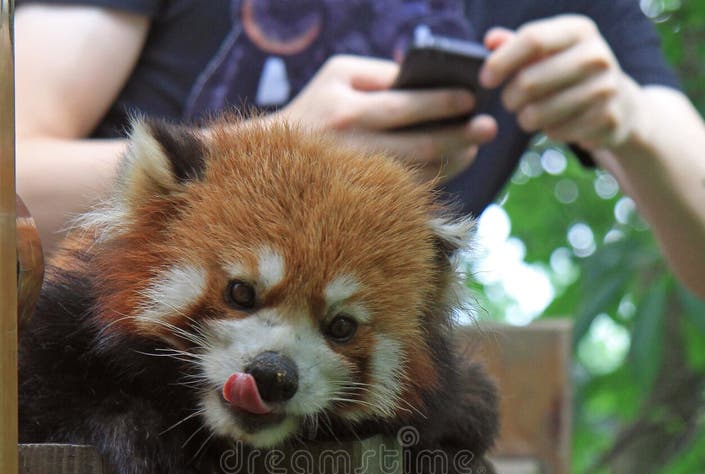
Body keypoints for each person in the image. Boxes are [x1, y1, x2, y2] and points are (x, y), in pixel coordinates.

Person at [13, 1, 705, 297]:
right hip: (98, 426)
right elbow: (16, 183)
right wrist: (279, 144)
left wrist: (631, 118)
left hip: (355, 442)